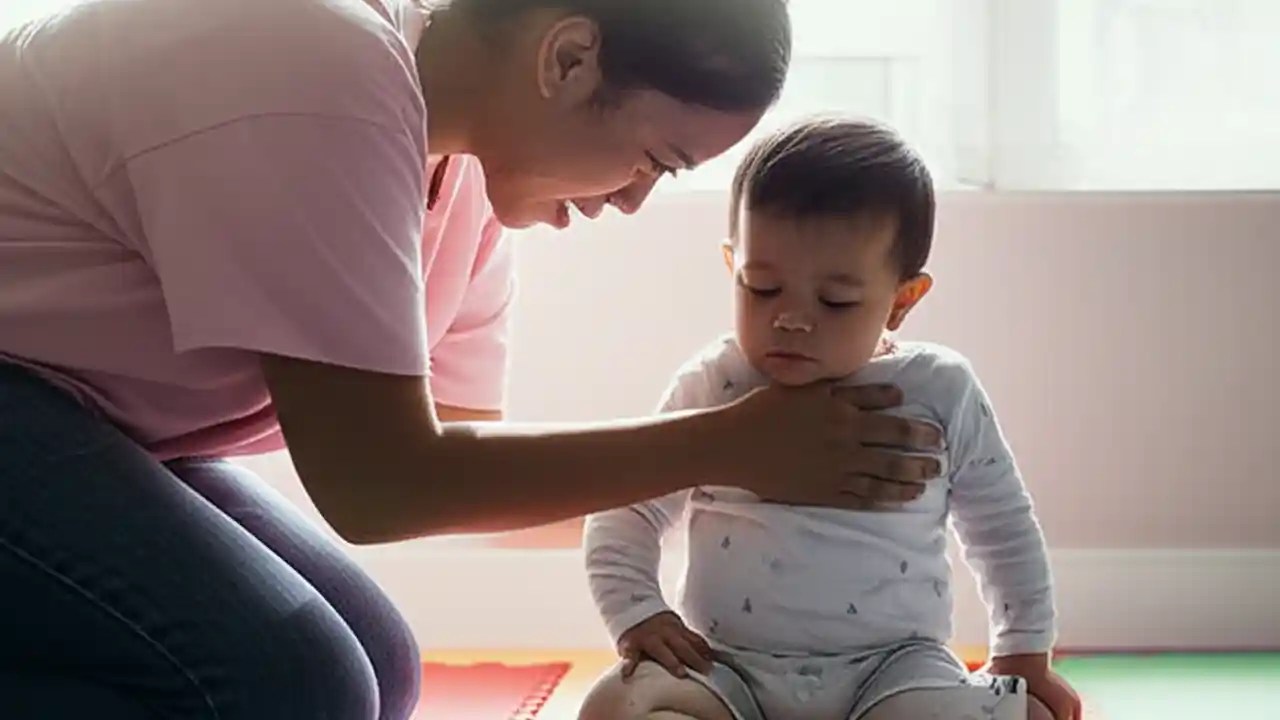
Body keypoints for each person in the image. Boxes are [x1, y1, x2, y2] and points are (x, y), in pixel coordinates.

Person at [0, 1, 947, 718]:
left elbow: (463, 466)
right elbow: (381, 487)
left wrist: (743, 512)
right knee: (296, 682)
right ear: (569, 60)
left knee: (380, 657)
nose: (632, 202)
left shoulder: (469, 191)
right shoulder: (322, 70)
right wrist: (729, 446)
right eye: (655, 159)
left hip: (74, 413)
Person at [577, 118, 1084, 720]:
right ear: (731, 265)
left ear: (901, 300)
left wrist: (1024, 650)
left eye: (836, 301)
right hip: (726, 664)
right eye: (762, 288)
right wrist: (639, 611)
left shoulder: (939, 389)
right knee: (615, 704)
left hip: (894, 667)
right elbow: (625, 505)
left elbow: (1002, 527)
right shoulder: (715, 381)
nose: (791, 319)